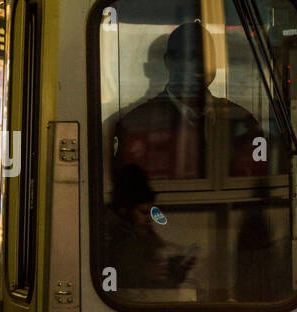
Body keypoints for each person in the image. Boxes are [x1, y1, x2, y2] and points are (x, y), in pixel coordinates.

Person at [113, 19, 266, 181]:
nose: (201, 66)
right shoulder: (135, 124)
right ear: (168, 62)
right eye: (192, 57)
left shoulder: (243, 121)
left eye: (207, 58)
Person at [104, 163, 196, 294]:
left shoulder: (144, 233)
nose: (149, 219)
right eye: (143, 212)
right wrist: (142, 275)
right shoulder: (108, 237)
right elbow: (108, 284)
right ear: (123, 210)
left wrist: (176, 268)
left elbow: (162, 280)